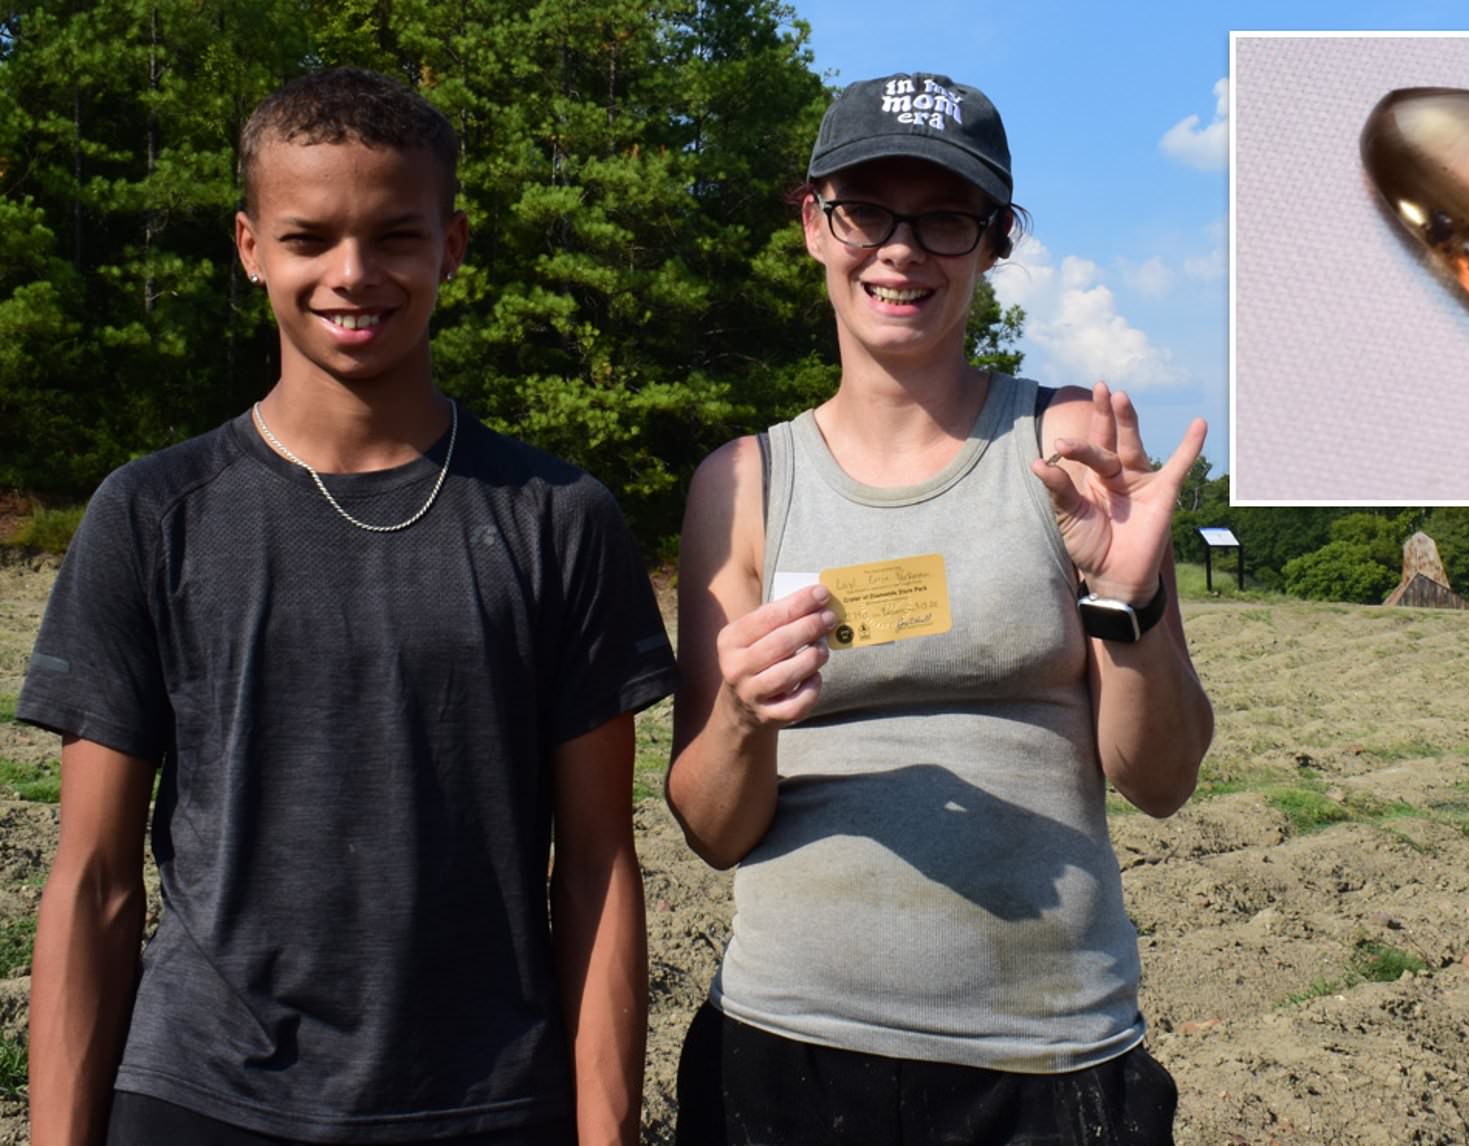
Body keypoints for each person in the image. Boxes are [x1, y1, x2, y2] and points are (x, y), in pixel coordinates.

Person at [20, 68, 675, 1145]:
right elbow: (93, 880)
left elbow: (600, 868)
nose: (353, 274)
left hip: (488, 1101)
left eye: (396, 237)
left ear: (451, 246)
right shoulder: (151, 514)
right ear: (250, 248)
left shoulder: (559, 520)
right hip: (200, 1097)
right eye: (309, 238)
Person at [666, 72, 1214, 1143]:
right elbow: (710, 831)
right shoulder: (742, 486)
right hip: (784, 1058)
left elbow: (1162, 782)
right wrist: (740, 715)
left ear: (996, 241)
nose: (901, 250)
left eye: (946, 218)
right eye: (866, 211)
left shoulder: (1068, 447)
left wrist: (1129, 596)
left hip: (1047, 1064)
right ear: (813, 223)